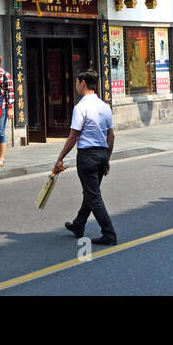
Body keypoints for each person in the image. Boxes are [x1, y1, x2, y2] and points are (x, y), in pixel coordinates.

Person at [54, 70, 117, 245]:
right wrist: (107, 158)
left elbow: (74, 136)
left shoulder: (80, 107)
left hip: (87, 156)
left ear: (82, 82)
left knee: (93, 195)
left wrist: (60, 156)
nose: (76, 85)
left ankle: (109, 233)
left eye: (76, 82)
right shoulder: (105, 107)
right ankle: (78, 224)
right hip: (102, 154)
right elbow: (111, 136)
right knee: (91, 192)